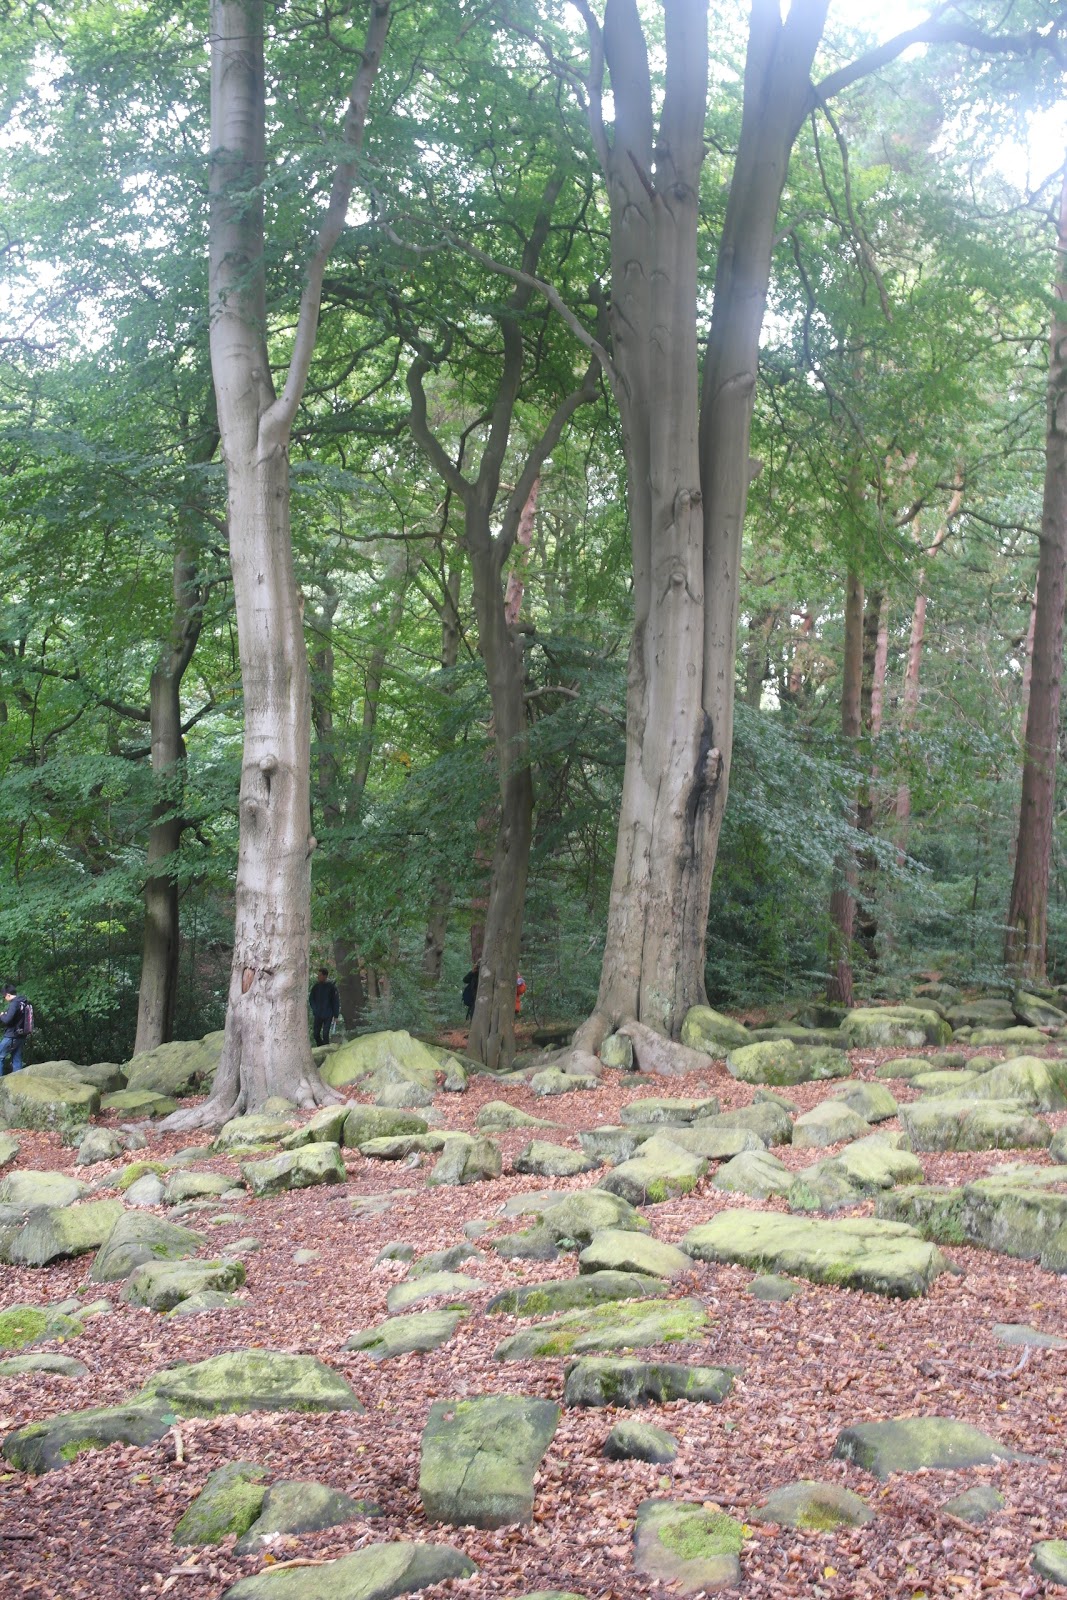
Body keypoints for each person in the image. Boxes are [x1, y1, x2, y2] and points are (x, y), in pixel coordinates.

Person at [0, 983, 29, 1075]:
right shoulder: (24, 1002)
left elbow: (8, 1020)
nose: (5, 999)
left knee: (0, 1056)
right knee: (17, 1059)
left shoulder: (14, 1003)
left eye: (4, 997)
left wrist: (2, 1015)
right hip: (21, 1035)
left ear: (8, 995)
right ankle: (18, 1082)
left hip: (11, 1036)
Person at [308, 968, 340, 1046]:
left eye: (320, 975)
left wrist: (336, 1016)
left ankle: (326, 1050)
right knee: (316, 1034)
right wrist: (315, 1009)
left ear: (325, 976)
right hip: (318, 1014)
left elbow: (335, 1001)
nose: (318, 977)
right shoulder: (316, 987)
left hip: (328, 1014)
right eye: (318, 975)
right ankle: (321, 1047)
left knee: (325, 1034)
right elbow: (311, 999)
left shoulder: (331, 987)